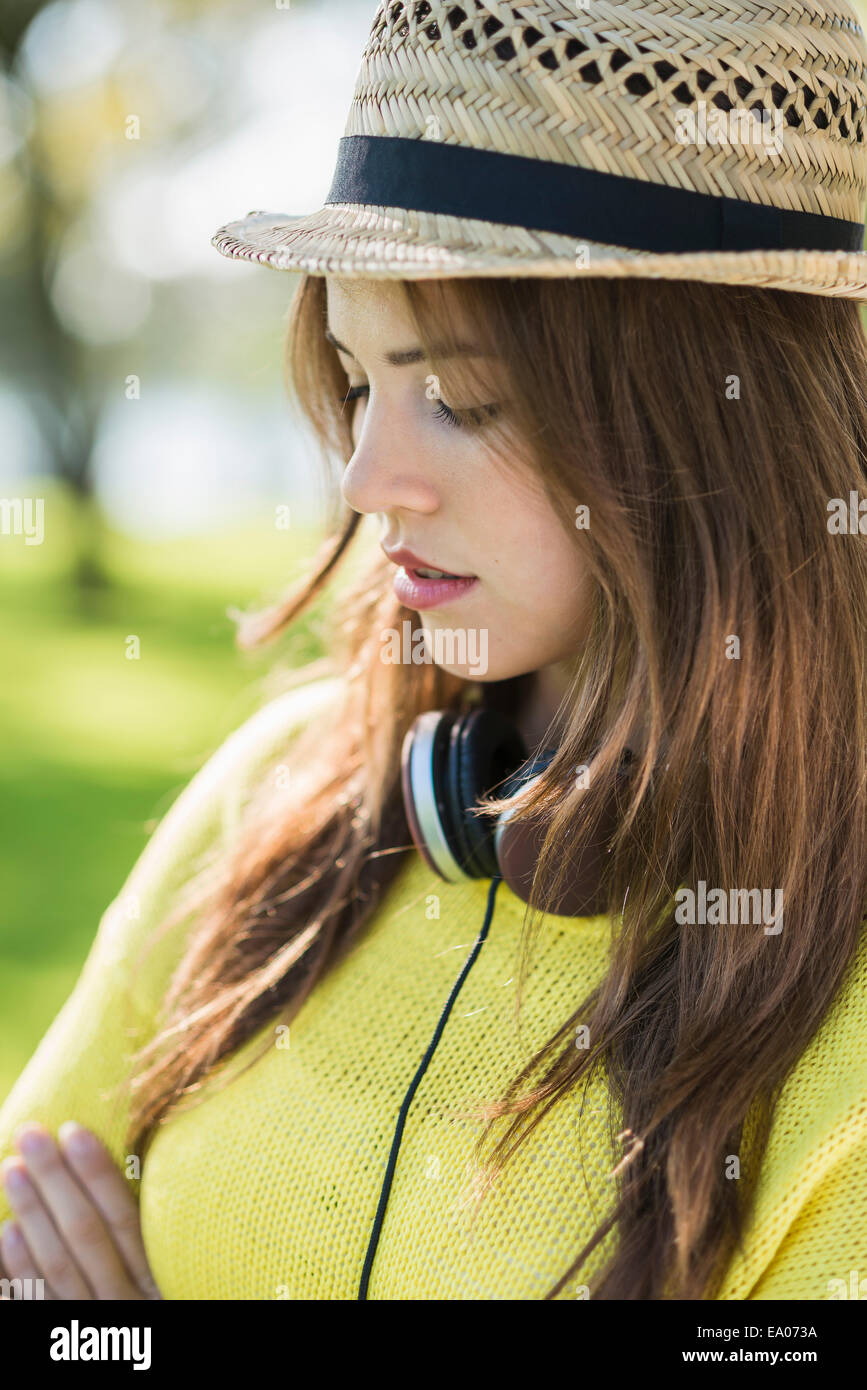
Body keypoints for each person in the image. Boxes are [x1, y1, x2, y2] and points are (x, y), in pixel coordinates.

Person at [2, 0, 867, 1301]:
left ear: (709, 424)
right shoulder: (275, 790)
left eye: (459, 398)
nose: (366, 476)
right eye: (356, 378)